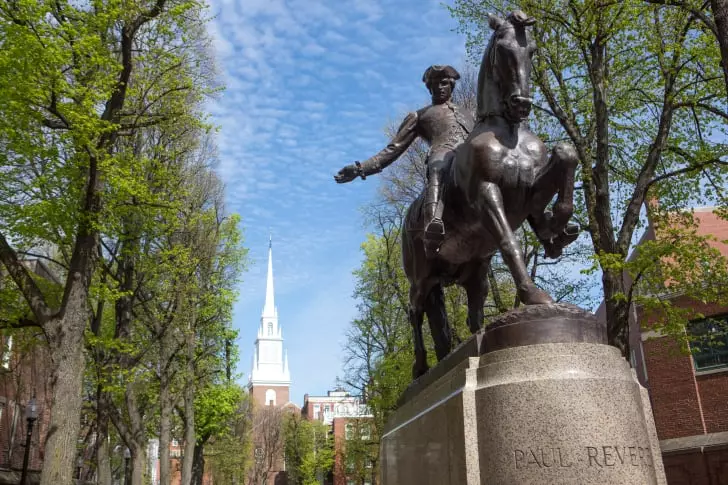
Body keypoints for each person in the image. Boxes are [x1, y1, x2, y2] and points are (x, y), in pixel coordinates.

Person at [335, 65, 474, 256]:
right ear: (429, 88)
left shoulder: (469, 114)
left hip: (469, 157)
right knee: (437, 166)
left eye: (444, 83)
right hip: (442, 156)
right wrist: (360, 169)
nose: (440, 88)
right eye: (434, 84)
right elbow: (393, 148)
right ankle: (433, 223)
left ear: (451, 85)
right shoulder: (419, 116)